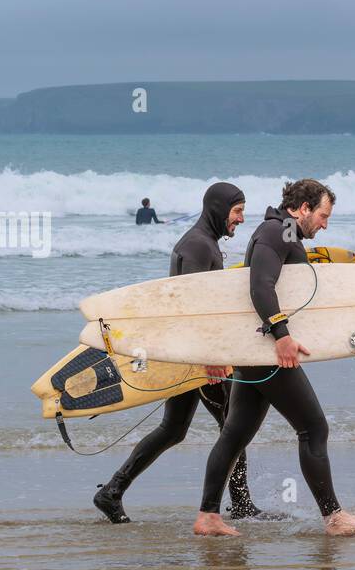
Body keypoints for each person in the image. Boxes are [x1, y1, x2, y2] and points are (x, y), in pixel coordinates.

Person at [195, 178, 355, 538]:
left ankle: (208, 516)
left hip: (255, 352)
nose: (325, 224)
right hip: (268, 354)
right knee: (313, 428)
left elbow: (302, 302)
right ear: (303, 209)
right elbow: (260, 286)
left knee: (234, 435)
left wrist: (349, 341)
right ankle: (334, 518)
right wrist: (281, 338)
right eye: (323, 215)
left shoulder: (286, 234)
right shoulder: (276, 232)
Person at [93, 182, 275, 524]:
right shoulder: (197, 245)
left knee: (174, 429)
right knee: (232, 426)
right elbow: (189, 304)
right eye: (237, 212)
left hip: (188, 352)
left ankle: (112, 491)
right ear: (219, 209)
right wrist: (209, 356)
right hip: (196, 355)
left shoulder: (204, 243)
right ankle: (242, 505)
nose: (240, 220)